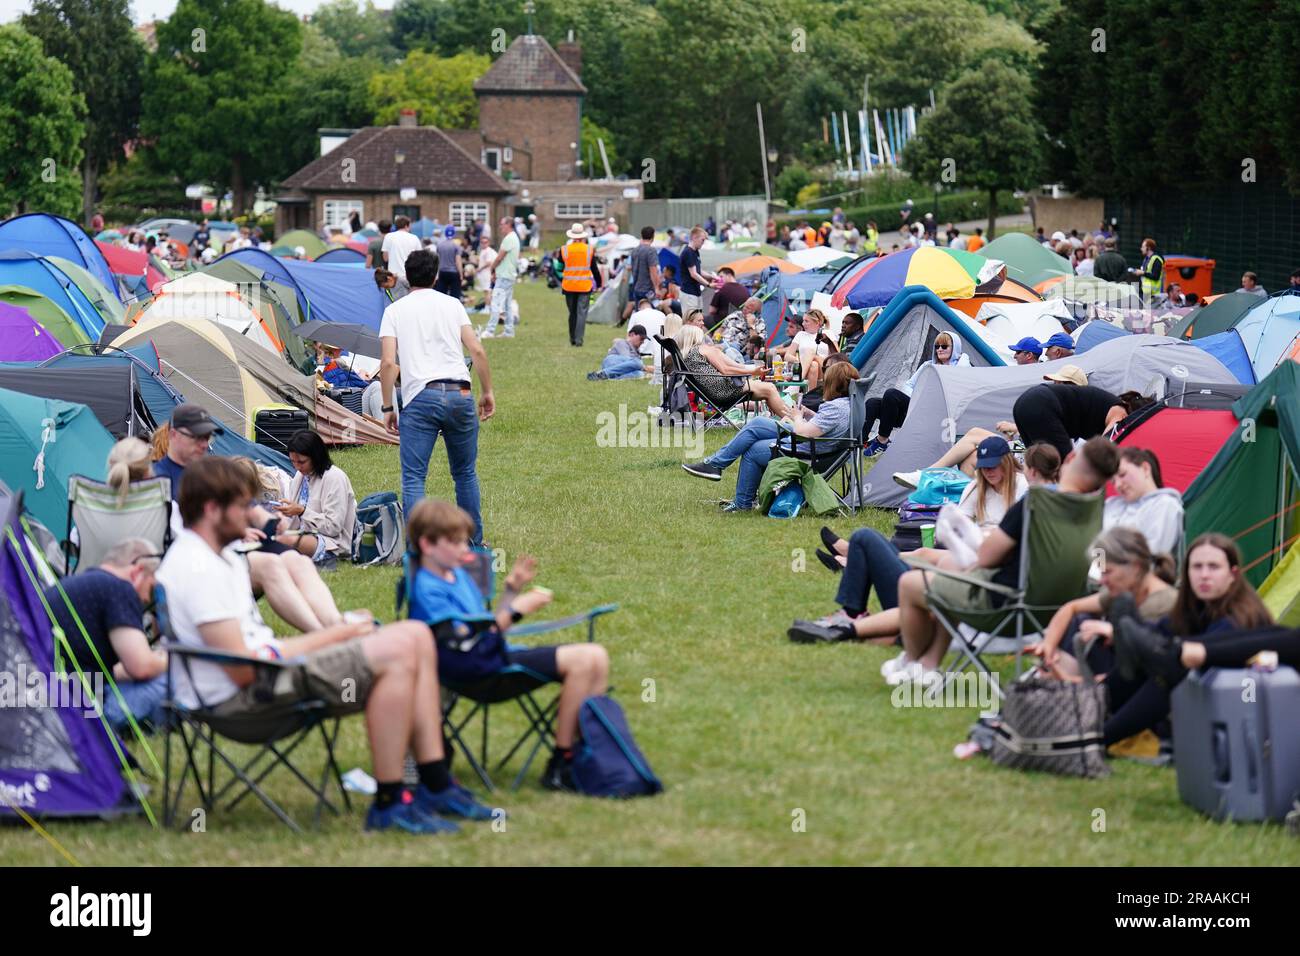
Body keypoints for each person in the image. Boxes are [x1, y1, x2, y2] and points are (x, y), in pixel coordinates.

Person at [157, 456, 493, 833]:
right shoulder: (196, 568)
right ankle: (403, 796)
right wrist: (335, 635)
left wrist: (335, 635)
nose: (252, 514)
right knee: (402, 647)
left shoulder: (221, 556)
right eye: (242, 506)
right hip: (246, 700)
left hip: (270, 677)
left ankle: (427, 785)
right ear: (211, 509)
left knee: (414, 639)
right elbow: (242, 668)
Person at [405, 499, 609, 791]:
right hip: (477, 672)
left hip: (491, 656)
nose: (466, 550)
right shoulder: (428, 589)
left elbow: (486, 624)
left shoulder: (457, 575)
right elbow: (464, 642)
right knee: (584, 659)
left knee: (597, 658)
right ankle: (560, 763)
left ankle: (583, 755)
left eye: (465, 541)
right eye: (456, 542)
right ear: (427, 545)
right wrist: (519, 609)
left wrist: (511, 590)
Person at [887, 436, 1120, 686]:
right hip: (1056, 611)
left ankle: (910, 664)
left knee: (910, 583)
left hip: (1003, 605)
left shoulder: (1037, 502)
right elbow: (1100, 564)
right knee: (952, 572)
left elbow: (986, 558)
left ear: (1071, 458)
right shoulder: (1096, 510)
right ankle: (929, 664)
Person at [380, 249, 494, 546]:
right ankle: (474, 542)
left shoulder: (394, 311)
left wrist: (388, 406)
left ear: (407, 276)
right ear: (435, 276)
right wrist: (488, 392)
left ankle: (419, 547)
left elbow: (389, 364)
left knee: (415, 477)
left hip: (421, 396)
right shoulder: (453, 304)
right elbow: (477, 351)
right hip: (461, 391)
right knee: (465, 473)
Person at [681, 361, 858, 512]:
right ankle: (714, 464)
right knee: (758, 423)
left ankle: (741, 502)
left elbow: (802, 433)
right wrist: (810, 415)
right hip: (819, 447)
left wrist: (797, 417)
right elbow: (824, 427)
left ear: (834, 384)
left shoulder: (835, 408)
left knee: (753, 450)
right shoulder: (849, 403)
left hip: (810, 452)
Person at [46, 538, 169, 733]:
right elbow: (142, 668)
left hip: (49, 703)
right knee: (173, 682)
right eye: (150, 588)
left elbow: (108, 670)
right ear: (137, 572)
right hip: (87, 707)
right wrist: (171, 659)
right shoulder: (119, 588)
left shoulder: (67, 586)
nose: (146, 599)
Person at [1028, 527, 1176, 684]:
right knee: (1081, 619)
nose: (1101, 581)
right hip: (1108, 679)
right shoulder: (1125, 589)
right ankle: (1050, 679)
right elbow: (1070, 607)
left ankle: (1054, 686)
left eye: (1107, 572)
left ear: (1135, 567)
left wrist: (1067, 679)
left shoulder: (1163, 605)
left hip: (1131, 689)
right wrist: (1048, 646)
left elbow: (1133, 680)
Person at [864, 332, 969, 456]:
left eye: (944, 346)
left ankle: (882, 441)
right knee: (873, 403)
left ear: (955, 348)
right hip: (915, 407)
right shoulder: (928, 365)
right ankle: (857, 444)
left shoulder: (961, 368)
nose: (940, 349)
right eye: (937, 346)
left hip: (935, 415)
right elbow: (909, 385)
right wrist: (917, 397)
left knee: (891, 394)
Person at [273, 430, 357, 568]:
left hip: (333, 543)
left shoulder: (334, 478)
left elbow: (333, 527)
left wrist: (301, 511)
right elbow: (295, 523)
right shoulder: (300, 477)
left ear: (316, 456)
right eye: (293, 462)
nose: (297, 467)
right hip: (304, 535)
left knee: (283, 540)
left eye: (301, 462)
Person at [673, 324, 791, 419]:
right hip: (725, 390)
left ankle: (785, 420)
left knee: (766, 390)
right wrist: (751, 372)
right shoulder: (702, 349)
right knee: (769, 388)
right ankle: (791, 421)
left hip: (713, 393)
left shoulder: (686, 356)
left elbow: (730, 367)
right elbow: (726, 370)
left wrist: (751, 371)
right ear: (695, 337)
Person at [1011, 367, 1131, 458]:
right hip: (1038, 405)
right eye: (1056, 383)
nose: (1057, 387)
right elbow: (1106, 445)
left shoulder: (1096, 402)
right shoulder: (1120, 411)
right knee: (1063, 464)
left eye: (1061, 383)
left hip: (1023, 403)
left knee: (1039, 462)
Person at [1104, 447, 1184, 556]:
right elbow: (1097, 547)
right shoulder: (1111, 505)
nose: (1118, 485)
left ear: (1145, 469)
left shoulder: (1165, 505)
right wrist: (1099, 571)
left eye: (1122, 474)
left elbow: (1152, 556)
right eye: (1113, 482)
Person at [153, 404, 223, 501]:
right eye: (197, 437)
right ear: (173, 435)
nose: (205, 445)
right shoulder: (152, 480)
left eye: (207, 438)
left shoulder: (213, 477)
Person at [482, 216, 521, 339]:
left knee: (496, 304)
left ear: (509, 224)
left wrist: (492, 268)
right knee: (506, 305)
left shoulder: (509, 238)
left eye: (502, 224)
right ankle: (509, 331)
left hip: (504, 276)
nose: (500, 227)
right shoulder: (514, 237)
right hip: (508, 275)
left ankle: (489, 331)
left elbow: (499, 257)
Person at [779, 308, 835, 388]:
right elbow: (787, 356)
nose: (803, 324)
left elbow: (836, 356)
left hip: (825, 369)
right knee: (813, 365)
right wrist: (799, 361)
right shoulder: (800, 335)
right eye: (803, 321)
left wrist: (811, 357)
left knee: (810, 351)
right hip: (808, 368)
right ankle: (810, 395)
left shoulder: (828, 333)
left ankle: (797, 382)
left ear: (817, 322)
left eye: (806, 321)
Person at [559, 222, 594, 346]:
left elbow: (559, 266)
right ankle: (579, 340)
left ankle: (572, 338)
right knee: (581, 313)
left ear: (572, 236)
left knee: (572, 313)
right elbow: (593, 268)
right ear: (583, 236)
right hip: (584, 286)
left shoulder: (564, 250)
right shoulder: (589, 249)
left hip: (569, 286)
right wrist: (599, 282)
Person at [624, 226, 661, 322]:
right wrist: (656, 287)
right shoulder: (651, 251)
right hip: (647, 288)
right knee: (650, 315)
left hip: (636, 287)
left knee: (639, 314)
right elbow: (653, 270)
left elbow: (632, 268)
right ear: (653, 236)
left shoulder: (635, 250)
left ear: (642, 235)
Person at [381, 216, 423, 295]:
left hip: (393, 276)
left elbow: (385, 258)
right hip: (410, 277)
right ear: (407, 226)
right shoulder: (414, 238)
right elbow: (419, 259)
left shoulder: (388, 237)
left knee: (395, 302)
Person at [678, 227, 714, 315]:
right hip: (689, 293)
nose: (703, 243)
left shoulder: (695, 252)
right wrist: (708, 284)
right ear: (694, 237)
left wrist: (712, 276)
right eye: (702, 240)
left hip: (696, 292)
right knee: (690, 320)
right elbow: (693, 274)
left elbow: (698, 270)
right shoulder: (688, 252)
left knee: (698, 318)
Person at [719, 297, 766, 364]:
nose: (744, 309)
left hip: (736, 349)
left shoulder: (759, 323)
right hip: (721, 342)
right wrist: (716, 336)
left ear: (755, 312)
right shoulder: (736, 314)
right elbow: (721, 329)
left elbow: (756, 346)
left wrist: (751, 326)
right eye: (744, 306)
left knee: (731, 348)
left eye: (748, 308)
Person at [433, 225, 463, 300]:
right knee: (455, 295)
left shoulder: (440, 245)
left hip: (442, 272)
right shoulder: (456, 245)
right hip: (454, 272)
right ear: (454, 233)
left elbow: (437, 260)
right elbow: (458, 261)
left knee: (441, 295)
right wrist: (461, 274)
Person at [1132, 237, 1164, 301]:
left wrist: (1142, 273)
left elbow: (1155, 276)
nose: (1141, 249)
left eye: (1143, 247)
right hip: (1146, 293)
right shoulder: (1146, 259)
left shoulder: (1156, 259)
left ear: (1148, 248)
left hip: (1154, 296)